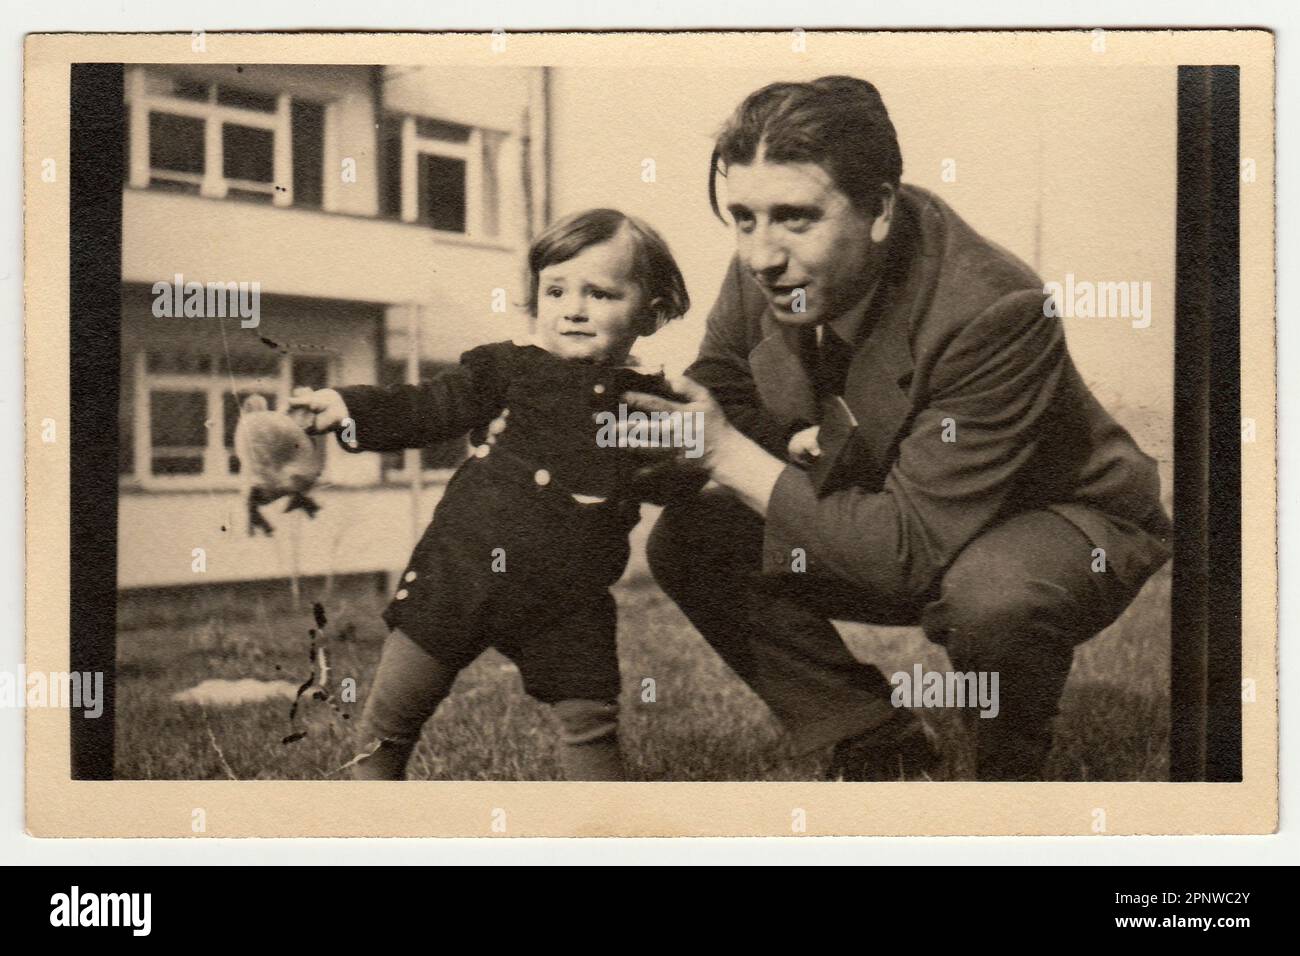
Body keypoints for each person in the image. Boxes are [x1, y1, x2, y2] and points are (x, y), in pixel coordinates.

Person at [626, 76, 1172, 781]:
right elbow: (723, 394)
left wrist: (726, 453)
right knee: (694, 539)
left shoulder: (993, 306)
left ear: (878, 208)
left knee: (992, 596)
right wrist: (594, 434)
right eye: (743, 218)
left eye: (796, 218)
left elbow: (903, 552)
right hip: (895, 507)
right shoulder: (767, 264)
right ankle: (873, 734)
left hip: (1051, 518)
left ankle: (1012, 778)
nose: (762, 253)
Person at [291, 208, 691, 781]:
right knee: (394, 715)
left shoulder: (651, 402)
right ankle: (369, 805)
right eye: (555, 291)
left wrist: (732, 457)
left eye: (600, 294)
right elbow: (429, 406)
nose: (573, 308)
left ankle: (603, 823)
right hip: (461, 573)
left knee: (591, 716)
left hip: (569, 595)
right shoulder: (508, 369)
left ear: (650, 315)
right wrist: (351, 407)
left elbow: (682, 475)